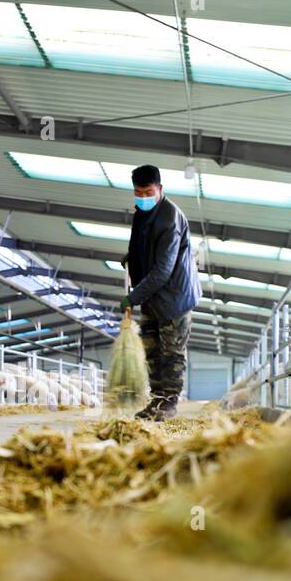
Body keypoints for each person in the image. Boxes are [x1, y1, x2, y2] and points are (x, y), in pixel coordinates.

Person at [120, 164, 201, 421]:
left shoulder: (170, 218)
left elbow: (163, 270)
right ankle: (157, 400)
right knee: (152, 350)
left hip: (174, 296)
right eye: (138, 193)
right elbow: (145, 246)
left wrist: (133, 297)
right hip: (153, 295)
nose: (143, 198)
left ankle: (169, 403)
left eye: (148, 192)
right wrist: (132, 258)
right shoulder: (143, 214)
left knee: (172, 352)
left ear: (160, 189)